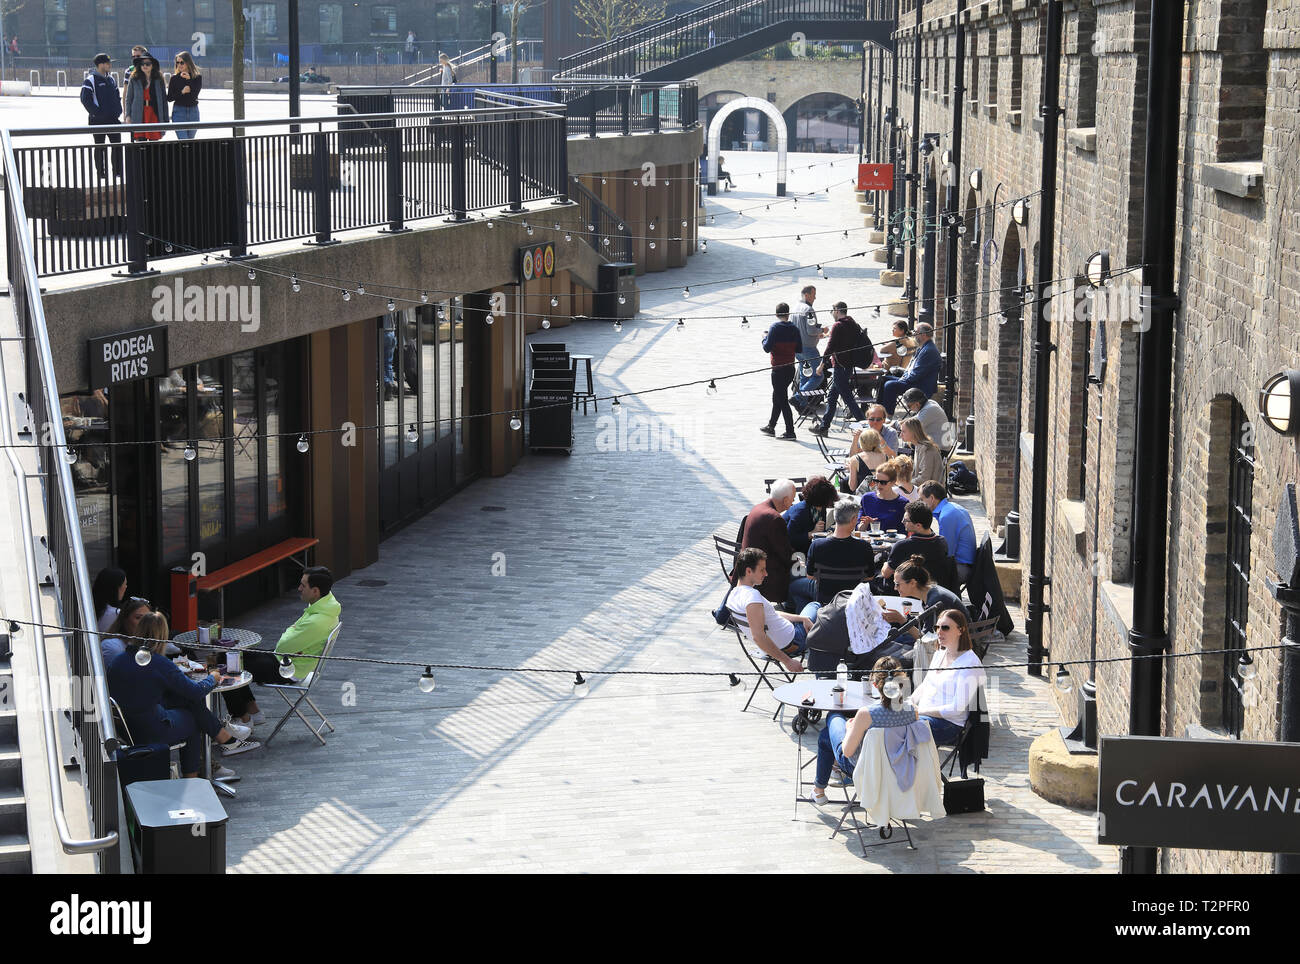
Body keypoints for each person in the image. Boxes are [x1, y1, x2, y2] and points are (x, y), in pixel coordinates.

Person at [106, 611, 259, 777]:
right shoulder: (158, 662)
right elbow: (195, 691)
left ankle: (223, 739)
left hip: (125, 728)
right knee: (193, 718)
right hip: (150, 729)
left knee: (185, 701)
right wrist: (213, 678)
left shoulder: (118, 660)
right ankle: (193, 777)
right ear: (162, 636)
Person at [221, 566, 342, 725]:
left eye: (303, 585)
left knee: (228, 666)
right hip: (292, 660)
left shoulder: (317, 621)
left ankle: (242, 719)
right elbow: (287, 643)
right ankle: (253, 712)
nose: (299, 588)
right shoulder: (327, 606)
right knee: (232, 656)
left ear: (315, 591)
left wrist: (291, 631)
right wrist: (293, 632)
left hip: (290, 669)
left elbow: (282, 646)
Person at [809, 655, 915, 805]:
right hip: (898, 769)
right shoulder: (911, 710)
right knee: (826, 736)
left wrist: (849, 727)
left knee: (832, 719)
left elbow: (847, 752)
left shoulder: (867, 713)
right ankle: (822, 786)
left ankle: (820, 790)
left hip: (863, 768)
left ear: (875, 683)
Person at [725, 548, 811, 676]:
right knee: (815, 604)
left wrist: (802, 618)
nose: (766, 574)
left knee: (803, 604)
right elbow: (758, 636)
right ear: (749, 571)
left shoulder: (733, 596)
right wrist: (787, 661)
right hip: (793, 642)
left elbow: (772, 615)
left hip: (782, 639)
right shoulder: (752, 598)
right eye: (762, 570)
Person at [912, 608, 985, 746]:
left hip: (949, 725)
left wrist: (918, 711)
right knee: (882, 719)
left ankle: (904, 766)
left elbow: (956, 708)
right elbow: (925, 685)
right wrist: (909, 702)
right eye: (937, 627)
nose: (939, 631)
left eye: (945, 627)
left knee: (901, 728)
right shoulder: (940, 652)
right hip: (923, 716)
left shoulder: (970, 663)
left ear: (961, 630)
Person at [788, 498, 877, 611]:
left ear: (835, 517)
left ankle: (808, 621)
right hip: (852, 599)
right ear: (854, 519)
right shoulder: (865, 547)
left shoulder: (817, 545)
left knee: (794, 586)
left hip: (826, 599)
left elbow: (810, 577)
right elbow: (869, 577)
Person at [812, 301, 867, 436]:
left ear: (837, 310)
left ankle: (867, 429)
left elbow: (830, 347)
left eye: (832, 310)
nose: (832, 313)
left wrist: (821, 364)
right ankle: (824, 427)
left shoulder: (838, 325)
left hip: (840, 366)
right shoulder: (853, 324)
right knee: (832, 397)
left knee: (848, 398)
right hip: (848, 366)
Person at [739, 479, 797, 604]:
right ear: (786, 499)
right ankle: (795, 615)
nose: (793, 502)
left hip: (747, 569)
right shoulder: (775, 518)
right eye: (792, 499)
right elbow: (785, 554)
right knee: (802, 581)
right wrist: (800, 564)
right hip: (766, 577)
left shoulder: (758, 508)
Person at [884, 556, 962, 639]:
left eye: (897, 584)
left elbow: (926, 640)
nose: (895, 588)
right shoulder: (931, 591)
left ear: (913, 583)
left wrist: (901, 620)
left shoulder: (935, 600)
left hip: (957, 645)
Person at [759, 302, 801, 440]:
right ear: (788, 314)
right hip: (790, 369)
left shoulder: (775, 327)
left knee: (782, 400)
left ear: (776, 314)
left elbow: (766, 348)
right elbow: (799, 349)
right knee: (777, 397)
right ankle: (771, 426)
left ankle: (790, 431)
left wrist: (765, 337)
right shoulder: (794, 328)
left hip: (778, 369)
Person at [921, 481, 977, 585]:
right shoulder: (950, 507)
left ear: (932, 498)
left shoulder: (946, 516)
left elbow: (946, 553)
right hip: (964, 563)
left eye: (922, 499)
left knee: (917, 574)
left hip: (961, 568)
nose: (920, 503)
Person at [879, 321, 941, 413]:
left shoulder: (929, 351)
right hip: (914, 380)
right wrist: (902, 374)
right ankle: (879, 411)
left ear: (923, 334)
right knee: (883, 379)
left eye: (915, 332)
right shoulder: (923, 347)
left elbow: (916, 375)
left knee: (890, 385)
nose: (913, 334)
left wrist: (902, 379)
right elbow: (912, 370)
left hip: (921, 386)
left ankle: (888, 415)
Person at [881, 501, 950, 582]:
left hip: (904, 591)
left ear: (918, 525)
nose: (902, 522)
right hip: (934, 588)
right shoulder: (942, 541)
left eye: (906, 520)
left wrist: (885, 564)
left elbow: (886, 574)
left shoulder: (902, 546)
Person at [81, 53, 123, 179]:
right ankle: (101, 173)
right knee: (100, 147)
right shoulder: (90, 80)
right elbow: (85, 100)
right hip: (98, 121)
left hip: (113, 120)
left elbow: (117, 96)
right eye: (107, 63)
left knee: (117, 146)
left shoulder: (111, 79)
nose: (110, 65)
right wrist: (98, 113)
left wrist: (118, 111)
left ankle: (118, 172)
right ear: (100, 65)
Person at [782, 475, 838, 554]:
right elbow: (790, 539)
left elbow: (820, 533)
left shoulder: (821, 507)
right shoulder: (800, 512)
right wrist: (811, 533)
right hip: (792, 552)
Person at [790, 285, 826, 401]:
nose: (815, 298)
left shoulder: (795, 308)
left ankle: (802, 405)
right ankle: (797, 398)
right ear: (807, 295)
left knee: (805, 375)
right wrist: (822, 330)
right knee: (818, 376)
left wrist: (817, 334)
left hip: (797, 348)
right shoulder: (809, 310)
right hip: (809, 349)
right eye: (813, 295)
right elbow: (811, 330)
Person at [124, 54, 168, 140]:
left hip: (154, 113)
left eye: (147, 64)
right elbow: (128, 99)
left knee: (153, 146)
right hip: (138, 114)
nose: (144, 66)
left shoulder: (159, 79)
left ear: (152, 65)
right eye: (142, 64)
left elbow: (163, 101)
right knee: (140, 143)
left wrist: (165, 119)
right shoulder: (134, 79)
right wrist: (128, 115)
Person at [857, 460, 907, 533]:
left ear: (893, 482)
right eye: (876, 481)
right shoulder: (867, 499)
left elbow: (904, 532)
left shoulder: (903, 503)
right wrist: (865, 524)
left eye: (883, 482)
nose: (878, 485)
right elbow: (858, 529)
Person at [100, 596, 151, 663]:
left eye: (148, 619)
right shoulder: (113, 646)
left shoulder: (149, 645)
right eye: (138, 618)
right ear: (124, 619)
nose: (144, 623)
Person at [901, 415, 945, 486]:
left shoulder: (926, 449)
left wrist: (904, 484)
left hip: (930, 491)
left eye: (903, 431)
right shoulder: (918, 446)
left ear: (913, 432)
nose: (901, 435)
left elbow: (924, 479)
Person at [167, 52, 202, 139]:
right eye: (177, 63)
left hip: (193, 112)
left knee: (190, 142)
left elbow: (194, 95)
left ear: (188, 62)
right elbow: (169, 98)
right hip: (179, 112)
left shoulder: (197, 77)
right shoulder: (174, 78)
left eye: (182, 62)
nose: (179, 65)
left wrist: (189, 80)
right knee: (183, 140)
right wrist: (181, 92)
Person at [848, 428, 889, 493]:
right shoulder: (885, 457)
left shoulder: (855, 459)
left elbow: (852, 487)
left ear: (862, 442)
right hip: (882, 496)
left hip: (863, 498)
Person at [93, 566, 128, 633]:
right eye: (125, 584)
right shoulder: (116, 614)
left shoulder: (88, 609)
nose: (126, 587)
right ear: (117, 588)